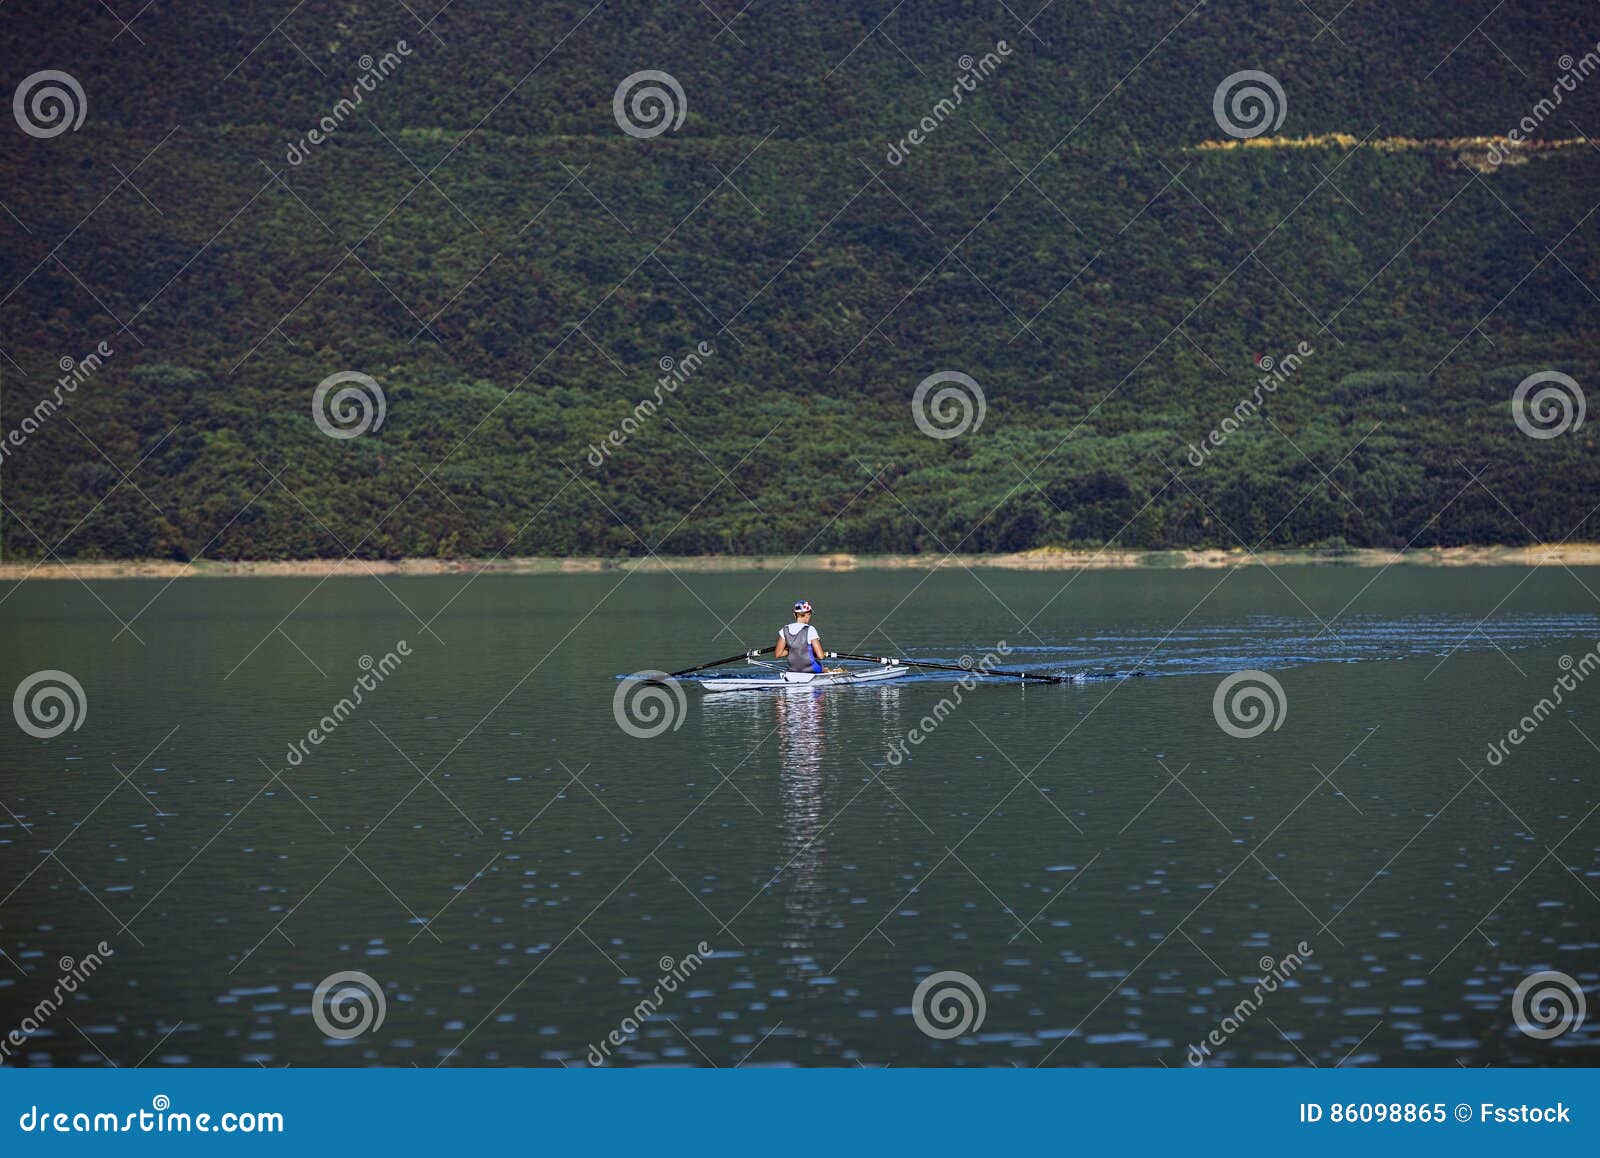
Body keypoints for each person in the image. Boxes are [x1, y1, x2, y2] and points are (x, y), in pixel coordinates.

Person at [775, 600, 843, 675]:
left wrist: (794, 649)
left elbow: (778, 654)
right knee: (825, 668)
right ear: (808, 614)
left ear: (794, 614)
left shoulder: (784, 629)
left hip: (793, 669)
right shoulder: (810, 629)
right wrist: (806, 651)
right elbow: (820, 656)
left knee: (821, 667)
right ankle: (831, 671)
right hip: (811, 668)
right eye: (810, 614)